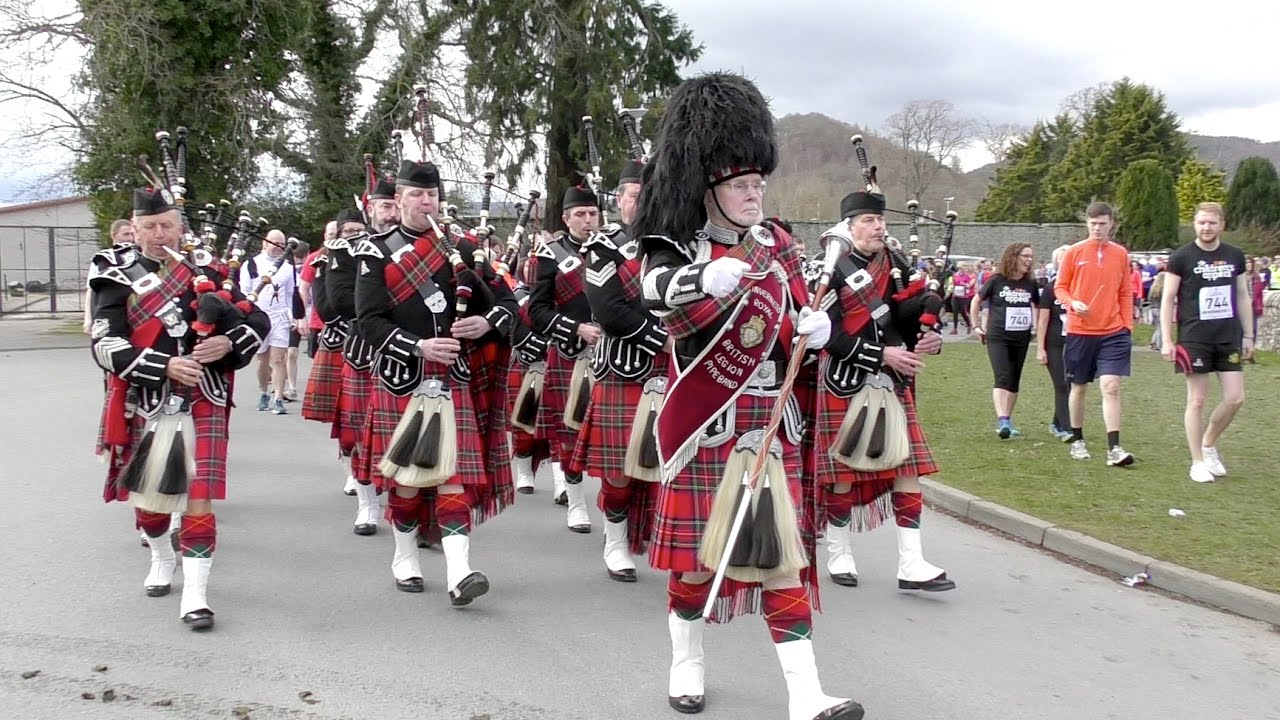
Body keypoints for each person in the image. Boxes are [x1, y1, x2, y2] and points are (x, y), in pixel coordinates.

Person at [636, 71, 862, 720]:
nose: (753, 194)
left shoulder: (778, 245)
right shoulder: (678, 247)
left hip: (770, 422)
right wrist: (702, 277)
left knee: (781, 559)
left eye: (759, 182)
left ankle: (806, 694)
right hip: (709, 423)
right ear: (708, 186)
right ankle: (687, 661)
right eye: (741, 184)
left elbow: (792, 319)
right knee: (694, 565)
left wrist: (815, 331)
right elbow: (649, 292)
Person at [90, 187, 270, 630]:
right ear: (134, 228)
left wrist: (229, 342)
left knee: (198, 496)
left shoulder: (207, 271)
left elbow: (257, 321)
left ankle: (195, 594)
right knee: (150, 503)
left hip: (203, 398)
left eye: (166, 225)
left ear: (180, 227)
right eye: (148, 226)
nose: (157, 233)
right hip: (147, 398)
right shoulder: (114, 272)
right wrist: (164, 364)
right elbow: (104, 342)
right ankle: (161, 553)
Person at [354, 159, 517, 604]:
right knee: (407, 480)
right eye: (417, 195)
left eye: (433, 196)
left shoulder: (463, 249)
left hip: (452, 380)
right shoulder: (374, 252)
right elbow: (368, 322)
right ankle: (404, 555)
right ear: (399, 200)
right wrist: (418, 346)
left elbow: (509, 303)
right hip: (402, 377)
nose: (427, 203)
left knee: (453, 477)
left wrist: (486, 324)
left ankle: (459, 572)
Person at [812, 188, 953, 599]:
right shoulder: (831, 268)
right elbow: (826, 336)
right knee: (842, 476)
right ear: (849, 226)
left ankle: (912, 562)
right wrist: (880, 355)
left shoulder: (897, 262)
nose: (878, 227)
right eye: (869, 221)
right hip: (846, 377)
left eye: (880, 221)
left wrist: (931, 337)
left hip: (893, 383)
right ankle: (839, 551)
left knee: (907, 468)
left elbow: (910, 315)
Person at [570, 158, 668, 581]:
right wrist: (662, 340)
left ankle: (665, 537)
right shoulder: (603, 246)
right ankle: (615, 539)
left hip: (679, 367)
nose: (642, 202)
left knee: (673, 462)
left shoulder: (680, 244)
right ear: (621, 200)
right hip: (626, 369)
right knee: (621, 469)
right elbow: (607, 309)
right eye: (635, 195)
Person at [528, 185, 604, 533]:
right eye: (580, 215)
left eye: (593, 214)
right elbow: (537, 311)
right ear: (566, 218)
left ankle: (612, 507)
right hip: (570, 353)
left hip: (613, 354)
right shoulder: (550, 255)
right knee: (568, 433)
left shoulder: (613, 248)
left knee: (610, 438)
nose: (588, 221)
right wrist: (575, 328)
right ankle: (576, 504)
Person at [1160, 203, 1251, 483]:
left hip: (1227, 336)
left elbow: (1243, 296)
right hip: (1194, 337)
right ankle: (1197, 462)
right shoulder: (1182, 257)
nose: (1206, 228)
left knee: (1235, 398)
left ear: (1221, 224)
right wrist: (1166, 338)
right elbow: (1168, 298)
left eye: (1212, 223)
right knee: (1197, 400)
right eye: (1201, 223)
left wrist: (1248, 335)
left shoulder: (1234, 255)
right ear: (1195, 224)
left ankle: (1208, 444)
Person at [302, 209, 374, 525]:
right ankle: (353, 472)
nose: (355, 235)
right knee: (349, 425)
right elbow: (329, 308)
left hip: (377, 342)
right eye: (349, 230)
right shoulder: (324, 260)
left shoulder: (377, 254)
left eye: (360, 229)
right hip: (341, 342)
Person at [1053, 202, 1135, 466]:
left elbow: (1125, 291)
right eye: (1093, 223)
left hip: (1113, 332)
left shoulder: (1121, 254)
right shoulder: (1075, 253)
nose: (1097, 228)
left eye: (1102, 223)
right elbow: (1060, 287)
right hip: (1080, 330)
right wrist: (1072, 303)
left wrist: (1126, 324)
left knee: (1111, 386)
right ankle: (1077, 439)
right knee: (1078, 387)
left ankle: (1115, 448)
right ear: (1086, 223)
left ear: (1111, 223)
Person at [972, 243, 1040, 438]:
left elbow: (1036, 305)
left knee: (1014, 380)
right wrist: (976, 326)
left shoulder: (1030, 283)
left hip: (1022, 336)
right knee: (1002, 376)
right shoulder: (997, 280)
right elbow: (976, 301)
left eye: (1031, 256)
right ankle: (1002, 420)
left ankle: (1007, 421)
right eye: (1025, 256)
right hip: (998, 335)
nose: (1029, 260)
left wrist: (1035, 326)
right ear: (1013, 256)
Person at [239, 229, 299, 415]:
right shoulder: (251, 264)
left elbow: (290, 294)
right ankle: (264, 392)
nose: (278, 247)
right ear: (265, 243)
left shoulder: (288, 268)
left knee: (278, 359)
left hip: (279, 316)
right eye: (274, 243)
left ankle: (279, 398)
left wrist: (293, 316)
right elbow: (244, 292)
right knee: (262, 360)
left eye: (281, 244)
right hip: (259, 316)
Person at [1036, 245, 1072, 441]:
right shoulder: (1051, 288)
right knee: (1061, 384)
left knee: (1073, 385)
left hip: (1075, 342)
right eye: (1062, 259)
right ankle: (1067, 428)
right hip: (1054, 343)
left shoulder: (1080, 286)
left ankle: (1057, 423)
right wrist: (1040, 348)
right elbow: (1043, 320)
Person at [83, 219, 137, 334]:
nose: (130, 238)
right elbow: (91, 290)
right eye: (126, 234)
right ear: (114, 235)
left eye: (132, 234)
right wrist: (88, 319)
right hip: (111, 312)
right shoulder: (103, 259)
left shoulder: (139, 255)